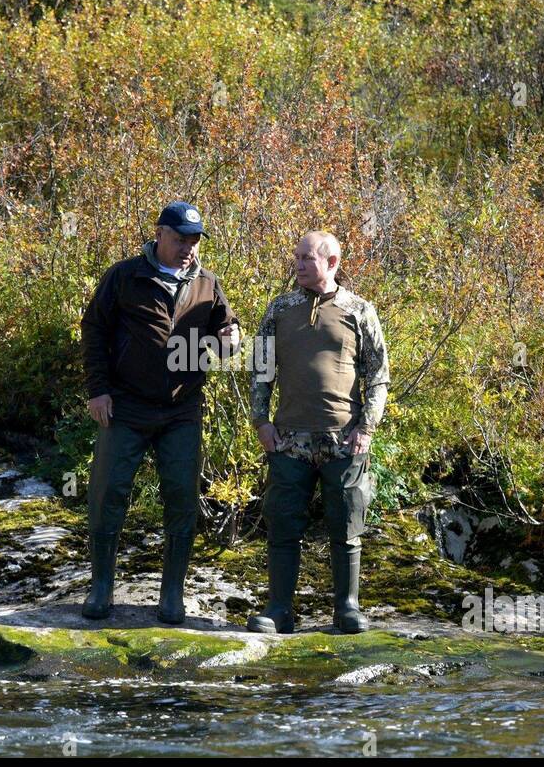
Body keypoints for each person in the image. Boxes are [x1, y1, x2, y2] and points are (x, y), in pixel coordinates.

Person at [79, 201, 240, 623]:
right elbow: (93, 329)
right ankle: (101, 588)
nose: (188, 247)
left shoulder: (208, 282)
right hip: (126, 406)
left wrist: (232, 339)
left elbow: (228, 330)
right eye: (180, 238)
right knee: (107, 494)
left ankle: (172, 594)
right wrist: (98, 391)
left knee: (181, 499)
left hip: (182, 410)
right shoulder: (124, 275)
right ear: (159, 234)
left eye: (194, 240)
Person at [247, 231, 389, 634]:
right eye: (296, 257)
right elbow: (261, 368)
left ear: (332, 262)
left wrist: (367, 428)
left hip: (344, 439)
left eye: (307, 258)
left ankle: (347, 609)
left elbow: (378, 376)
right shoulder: (280, 309)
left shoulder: (359, 310)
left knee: (346, 526)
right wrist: (261, 422)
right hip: (288, 440)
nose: (298, 264)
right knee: (282, 525)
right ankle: (279, 611)